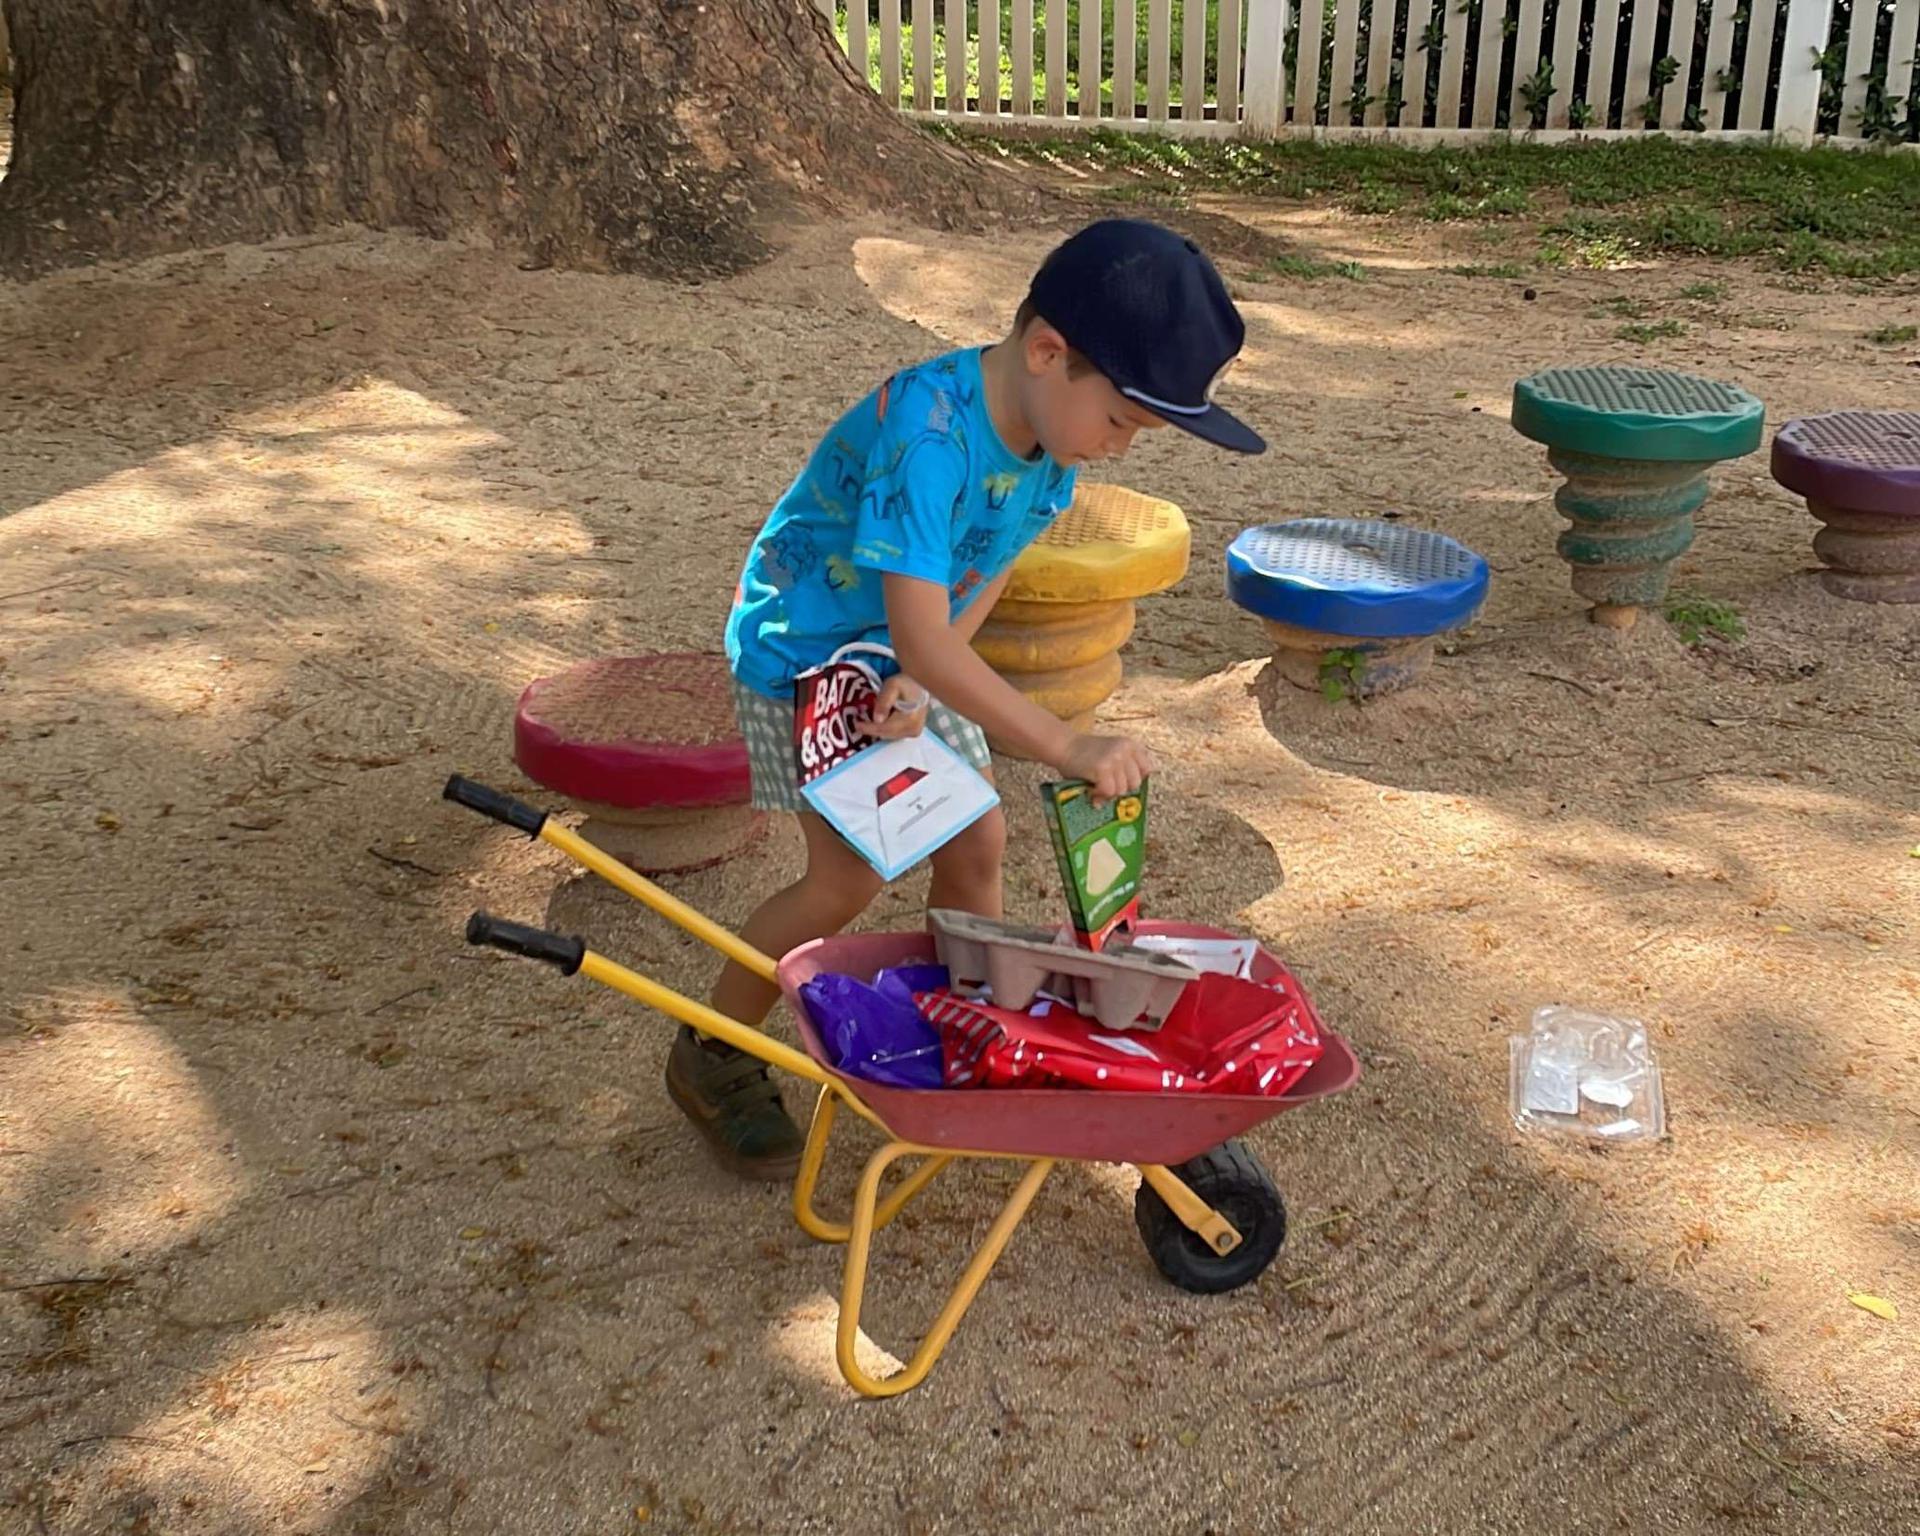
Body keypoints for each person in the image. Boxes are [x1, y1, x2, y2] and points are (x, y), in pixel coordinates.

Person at [671, 218, 1267, 1178]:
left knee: (978, 838)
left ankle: (972, 1025)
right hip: (807, 651)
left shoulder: (1053, 444)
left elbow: (983, 568)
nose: (1120, 448)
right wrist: (1062, 743)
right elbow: (921, 633)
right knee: (847, 878)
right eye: (1122, 421)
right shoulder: (929, 437)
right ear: (1047, 352)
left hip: (905, 652)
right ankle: (712, 1048)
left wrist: (920, 672)